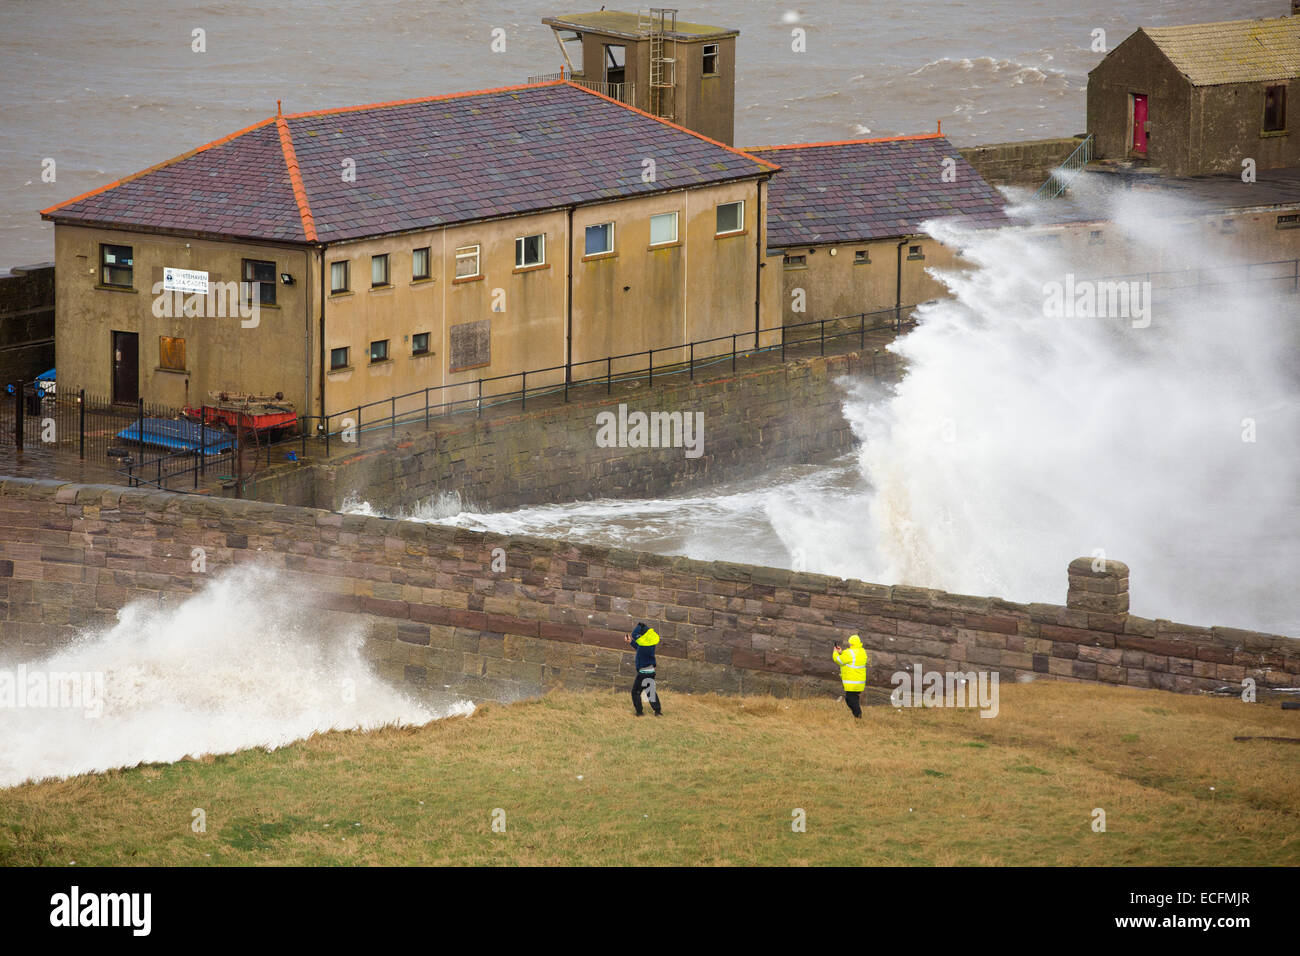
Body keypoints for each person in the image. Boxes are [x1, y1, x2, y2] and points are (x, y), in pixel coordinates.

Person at [625, 622, 663, 716]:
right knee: (651, 692)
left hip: (643, 673)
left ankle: (639, 712)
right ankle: (658, 711)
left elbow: (634, 634)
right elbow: (639, 647)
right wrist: (631, 642)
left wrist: (639, 625)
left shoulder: (643, 643)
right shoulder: (651, 642)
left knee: (635, 692)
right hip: (651, 672)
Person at [832, 634, 869, 718]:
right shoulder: (862, 651)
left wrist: (835, 653)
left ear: (851, 644)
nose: (849, 644)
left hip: (852, 682)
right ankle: (857, 716)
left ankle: (858, 715)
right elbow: (851, 658)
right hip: (859, 682)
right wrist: (841, 652)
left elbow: (839, 661)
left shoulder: (850, 653)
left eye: (849, 643)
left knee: (850, 700)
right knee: (852, 699)